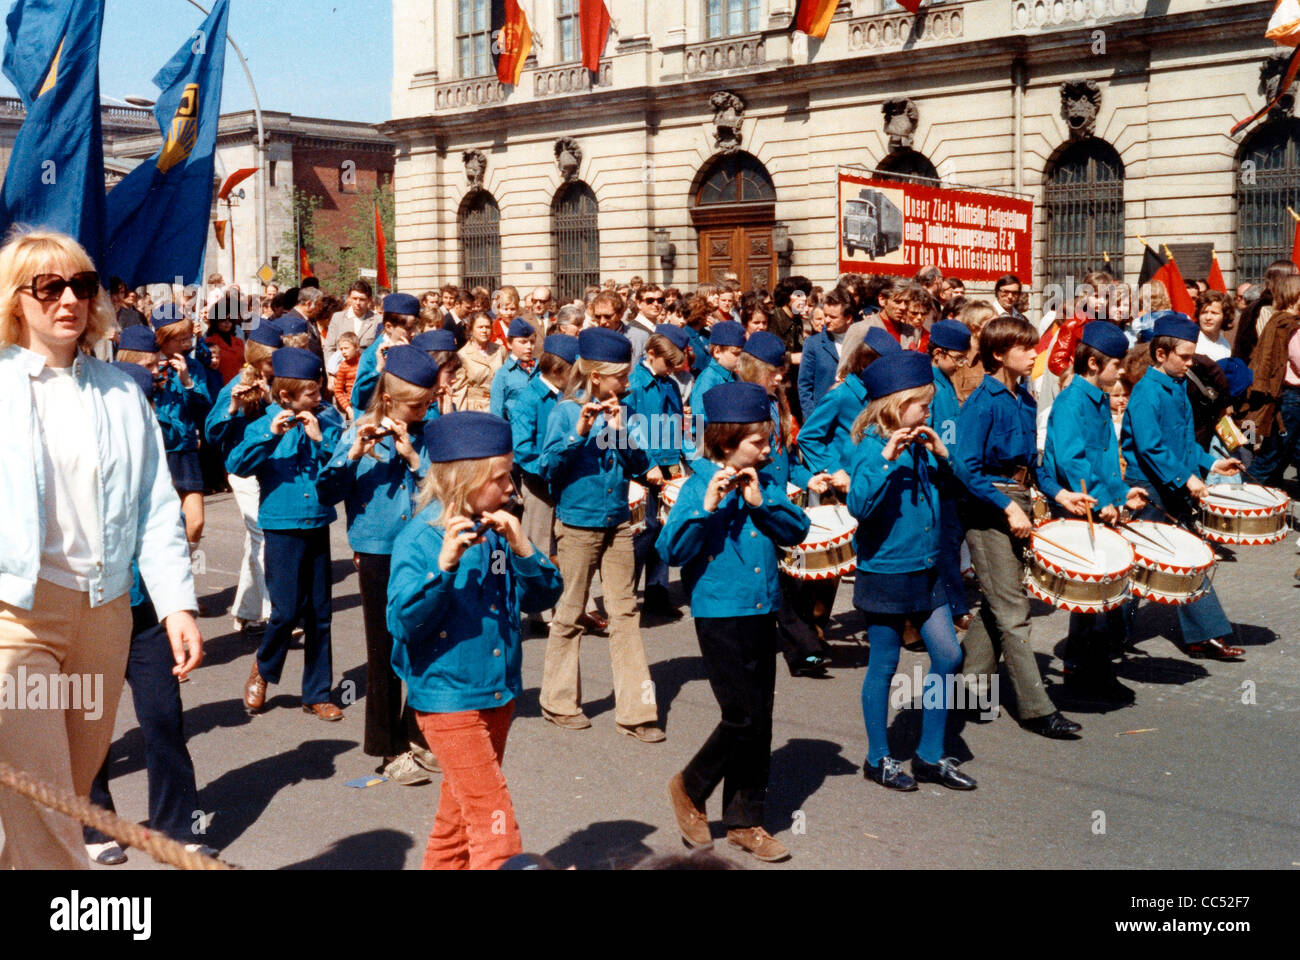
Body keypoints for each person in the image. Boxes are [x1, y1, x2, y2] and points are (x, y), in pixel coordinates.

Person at [0, 228, 200, 869]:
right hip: (18, 619)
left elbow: (156, 507)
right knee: (52, 806)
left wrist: (177, 605)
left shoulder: (121, 392)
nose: (68, 300)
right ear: (14, 299)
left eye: (81, 287)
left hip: (105, 616)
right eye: (48, 286)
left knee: (62, 794)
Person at [387, 411, 563, 869]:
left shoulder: (497, 529)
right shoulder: (420, 538)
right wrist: (442, 570)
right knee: (494, 822)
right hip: (448, 700)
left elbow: (544, 596)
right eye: (502, 478)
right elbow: (403, 624)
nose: (512, 489)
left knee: (458, 818)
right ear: (466, 479)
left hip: (497, 692)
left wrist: (525, 548)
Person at [659, 381, 809, 862]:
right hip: (719, 612)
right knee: (739, 714)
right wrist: (705, 508)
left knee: (759, 717)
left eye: (768, 440)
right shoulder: (698, 481)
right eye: (758, 442)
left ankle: (746, 820)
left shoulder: (765, 478)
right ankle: (689, 785)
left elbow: (798, 531)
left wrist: (763, 502)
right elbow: (672, 552)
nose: (767, 449)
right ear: (726, 441)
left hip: (763, 607)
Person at [954, 315, 1089, 738]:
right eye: (1026, 347)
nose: (1036, 353)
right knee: (1014, 610)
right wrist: (1006, 508)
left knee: (999, 598)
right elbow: (964, 469)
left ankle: (969, 689)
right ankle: (1036, 708)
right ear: (998, 354)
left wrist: (1059, 494)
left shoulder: (1026, 398)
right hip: (987, 506)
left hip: (1018, 499)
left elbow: (1031, 465)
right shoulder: (982, 401)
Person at [846, 352, 974, 792]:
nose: (929, 411)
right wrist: (885, 458)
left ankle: (930, 755)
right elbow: (857, 506)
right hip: (885, 571)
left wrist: (943, 456)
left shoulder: (923, 446)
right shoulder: (869, 449)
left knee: (948, 656)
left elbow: (956, 492)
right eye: (922, 404)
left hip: (927, 569)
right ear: (896, 405)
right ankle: (878, 756)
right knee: (884, 664)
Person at [318, 346, 441, 783]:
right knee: (384, 652)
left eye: (429, 402)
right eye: (417, 404)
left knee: (423, 643)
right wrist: (353, 454)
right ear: (388, 400)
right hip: (377, 552)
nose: (426, 410)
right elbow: (326, 491)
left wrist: (414, 458)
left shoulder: (431, 434)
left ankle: (417, 733)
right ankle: (388, 750)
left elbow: (446, 490)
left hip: (424, 549)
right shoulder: (356, 429)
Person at [538, 327, 664, 742]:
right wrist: (578, 433)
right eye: (620, 377)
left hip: (617, 522)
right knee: (570, 611)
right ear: (596, 375)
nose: (625, 384)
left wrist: (621, 430)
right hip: (576, 523)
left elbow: (636, 462)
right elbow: (546, 469)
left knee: (625, 612)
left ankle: (636, 711)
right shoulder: (562, 411)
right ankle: (558, 702)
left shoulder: (621, 410)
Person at [227, 347, 346, 719]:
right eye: (311, 392)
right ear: (285, 396)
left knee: (320, 613)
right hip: (280, 525)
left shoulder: (327, 420)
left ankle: (316, 692)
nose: (319, 396)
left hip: (317, 522)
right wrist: (269, 432)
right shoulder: (262, 420)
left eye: (319, 388)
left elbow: (343, 466)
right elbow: (237, 465)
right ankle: (263, 669)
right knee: (284, 611)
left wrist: (319, 441)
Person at [1121, 312, 1247, 661]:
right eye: (1186, 356)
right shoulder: (1147, 391)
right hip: (1147, 489)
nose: (1192, 363)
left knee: (1188, 559)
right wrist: (1187, 478)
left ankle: (1204, 635)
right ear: (1161, 354)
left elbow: (1182, 442)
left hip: (1172, 485)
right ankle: (1105, 639)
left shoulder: (1176, 386)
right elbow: (1151, 447)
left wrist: (1210, 463)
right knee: (1137, 566)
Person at [1043, 322, 1150, 701]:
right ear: (1092, 363)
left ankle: (1080, 663)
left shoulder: (1100, 398)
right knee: (1097, 590)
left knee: (1098, 591)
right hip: (1080, 506)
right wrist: (1103, 503)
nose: (1121, 373)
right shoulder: (1072, 401)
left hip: (1102, 504)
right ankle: (1090, 670)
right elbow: (1074, 462)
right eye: (1116, 365)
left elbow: (1107, 457)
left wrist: (1122, 494)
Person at [205, 323, 282, 634]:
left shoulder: (278, 382)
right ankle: (274, 612)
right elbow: (212, 433)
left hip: (271, 466)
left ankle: (245, 609)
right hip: (242, 470)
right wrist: (234, 407)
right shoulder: (235, 384)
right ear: (258, 358)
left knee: (256, 538)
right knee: (262, 533)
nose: (276, 366)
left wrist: (270, 401)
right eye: (271, 360)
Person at [627, 325, 690, 619]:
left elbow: (678, 424)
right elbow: (631, 428)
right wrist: (648, 463)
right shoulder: (634, 383)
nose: (671, 370)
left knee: (663, 527)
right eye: (668, 364)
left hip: (668, 462)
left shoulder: (670, 383)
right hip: (642, 464)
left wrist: (693, 461)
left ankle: (657, 593)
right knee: (644, 528)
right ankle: (626, 592)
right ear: (651, 354)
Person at [150, 303, 213, 556]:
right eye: (180, 338)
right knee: (160, 525)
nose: (187, 343)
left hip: (185, 448)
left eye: (188, 337)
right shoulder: (147, 364)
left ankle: (182, 568)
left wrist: (187, 381)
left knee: (195, 522)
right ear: (163, 338)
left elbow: (202, 412)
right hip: (156, 449)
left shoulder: (194, 366)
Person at [927, 319, 973, 629]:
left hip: (951, 471)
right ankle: (954, 607)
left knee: (952, 542)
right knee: (946, 545)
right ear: (938, 354)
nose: (962, 363)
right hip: (939, 477)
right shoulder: (931, 386)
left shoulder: (944, 381)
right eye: (957, 357)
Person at [352, 293, 424, 412]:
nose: (413, 333)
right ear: (389, 326)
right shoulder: (372, 355)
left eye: (415, 327)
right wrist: (378, 370)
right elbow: (358, 400)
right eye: (408, 328)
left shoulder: (415, 348)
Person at [797, 288, 853, 414]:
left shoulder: (861, 341)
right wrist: (812, 422)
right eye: (825, 315)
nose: (826, 320)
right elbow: (804, 387)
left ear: (848, 318)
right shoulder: (813, 344)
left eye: (833, 317)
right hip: (823, 417)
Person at [688, 320, 746, 435]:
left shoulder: (734, 375)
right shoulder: (707, 381)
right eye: (736, 354)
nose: (740, 358)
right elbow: (697, 427)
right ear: (717, 352)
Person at [453, 312, 506, 412]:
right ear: (471, 330)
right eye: (480, 327)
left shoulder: (500, 350)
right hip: (475, 409)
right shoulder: (462, 355)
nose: (484, 331)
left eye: (487, 327)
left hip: (498, 406)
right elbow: (459, 391)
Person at [488, 316, 537, 420]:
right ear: (509, 344)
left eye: (532, 342)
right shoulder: (503, 374)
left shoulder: (540, 369)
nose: (529, 346)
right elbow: (496, 412)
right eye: (523, 342)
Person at [333, 331, 361, 419]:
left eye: (346, 348)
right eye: (341, 349)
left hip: (367, 405)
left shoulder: (364, 361)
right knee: (350, 428)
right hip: (352, 407)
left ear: (357, 348)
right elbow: (338, 391)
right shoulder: (343, 366)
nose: (343, 352)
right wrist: (348, 409)